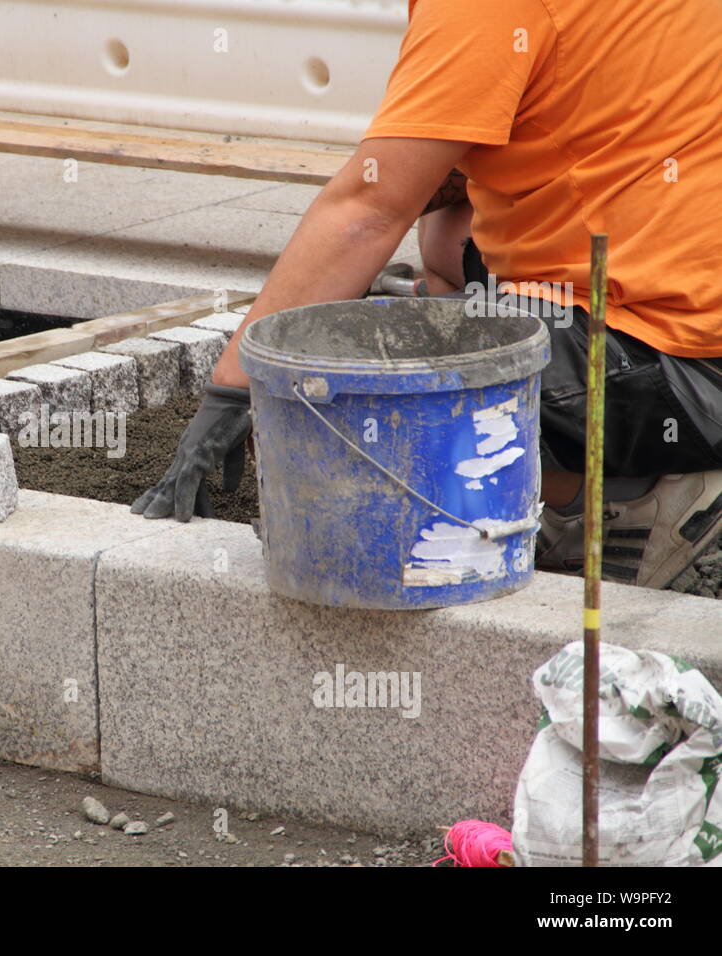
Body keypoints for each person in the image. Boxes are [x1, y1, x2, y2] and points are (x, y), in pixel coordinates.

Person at [132, 0, 722, 589]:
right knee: (448, 235)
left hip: (680, 363)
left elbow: (367, 209)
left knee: (349, 392)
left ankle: (624, 499)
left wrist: (235, 389)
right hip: (688, 295)